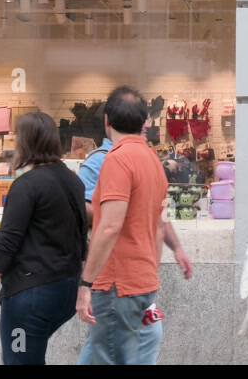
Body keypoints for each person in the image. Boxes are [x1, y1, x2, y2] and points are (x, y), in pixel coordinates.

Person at [75, 106, 193, 365]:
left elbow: (115, 225)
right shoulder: (139, 159)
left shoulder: (125, 158)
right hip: (133, 277)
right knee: (114, 350)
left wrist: (86, 283)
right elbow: (155, 219)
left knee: (106, 351)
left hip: (121, 278)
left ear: (108, 121)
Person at [0, 112, 86, 365]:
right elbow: (80, 233)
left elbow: (7, 241)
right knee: (29, 355)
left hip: (30, 298)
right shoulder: (73, 181)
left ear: (26, 142)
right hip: (65, 289)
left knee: (19, 359)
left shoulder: (27, 186)